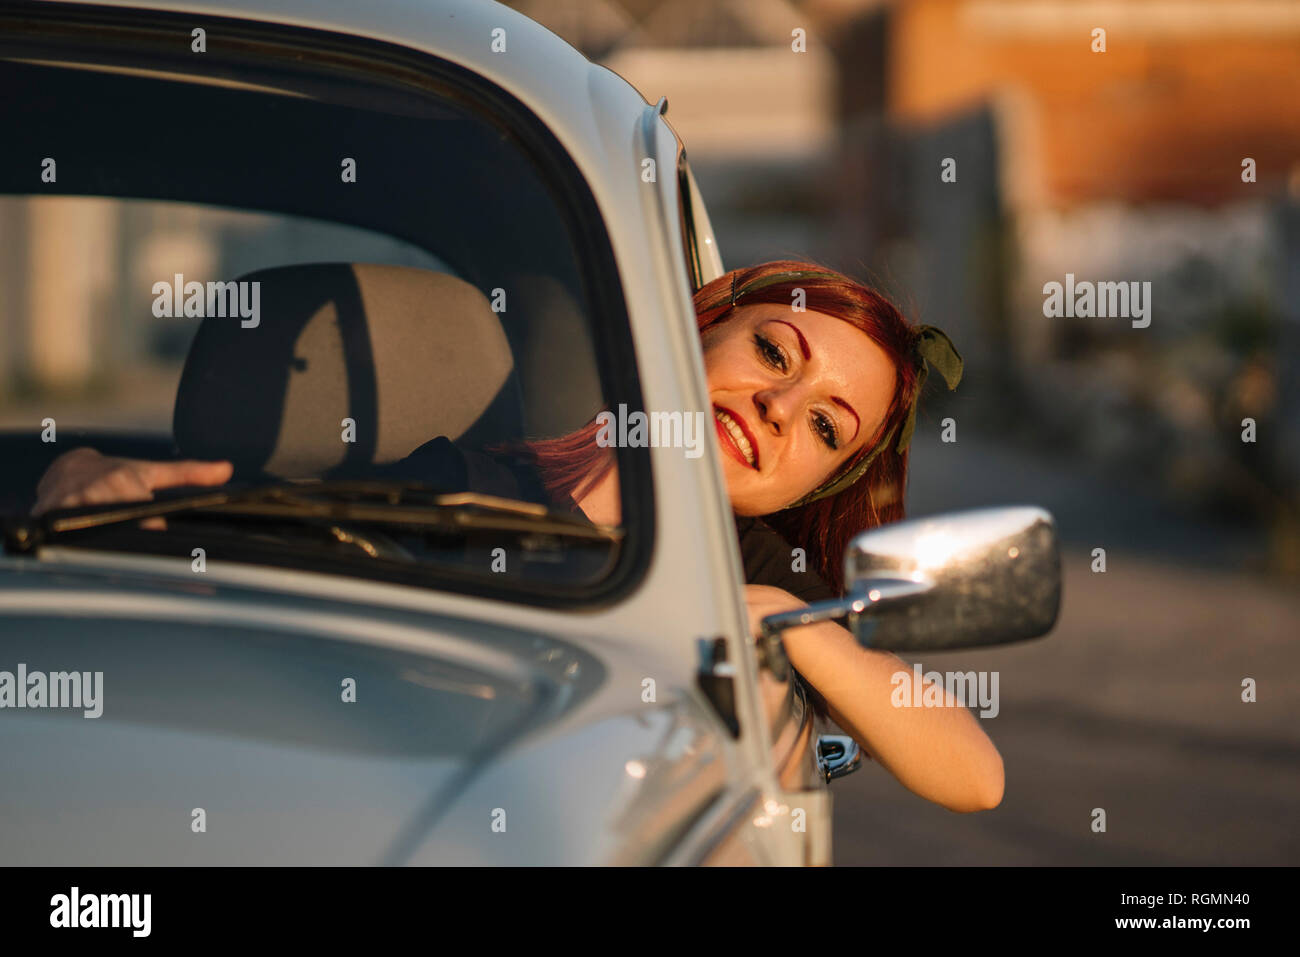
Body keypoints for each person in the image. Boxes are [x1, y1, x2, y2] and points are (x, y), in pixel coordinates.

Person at [33, 259, 1004, 812]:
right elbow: (269, 575)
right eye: (771, 350)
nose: (782, 407)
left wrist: (797, 625)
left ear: (817, 479)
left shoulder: (758, 575)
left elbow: (974, 778)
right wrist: (79, 487)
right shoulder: (461, 474)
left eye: (828, 428)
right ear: (689, 328)